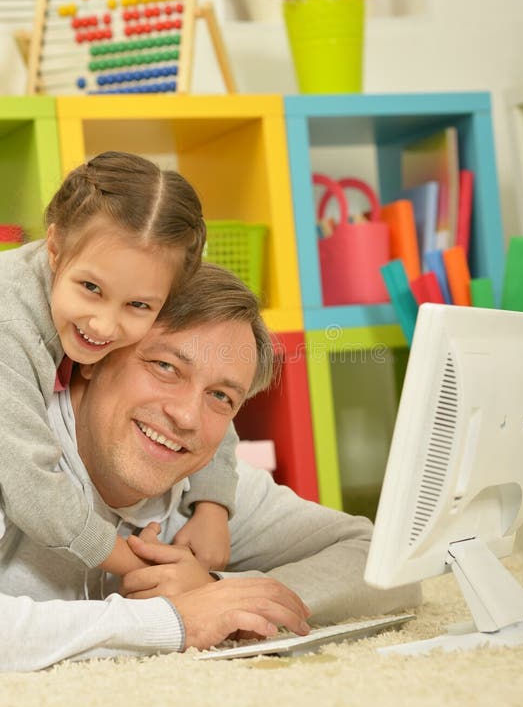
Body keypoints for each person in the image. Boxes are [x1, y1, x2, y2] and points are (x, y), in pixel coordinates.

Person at [0, 264, 420, 672]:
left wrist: (223, 594)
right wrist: (176, 621)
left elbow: (391, 564)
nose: (186, 416)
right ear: (94, 353)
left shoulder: (199, 494)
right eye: (165, 367)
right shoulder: (14, 450)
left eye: (220, 396)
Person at [0, 151, 239, 585]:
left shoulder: (103, 288)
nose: (104, 324)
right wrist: (144, 569)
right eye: (91, 288)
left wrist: (212, 506)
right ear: (54, 249)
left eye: (138, 305)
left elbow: (208, 385)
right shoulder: (8, 325)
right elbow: (33, 489)